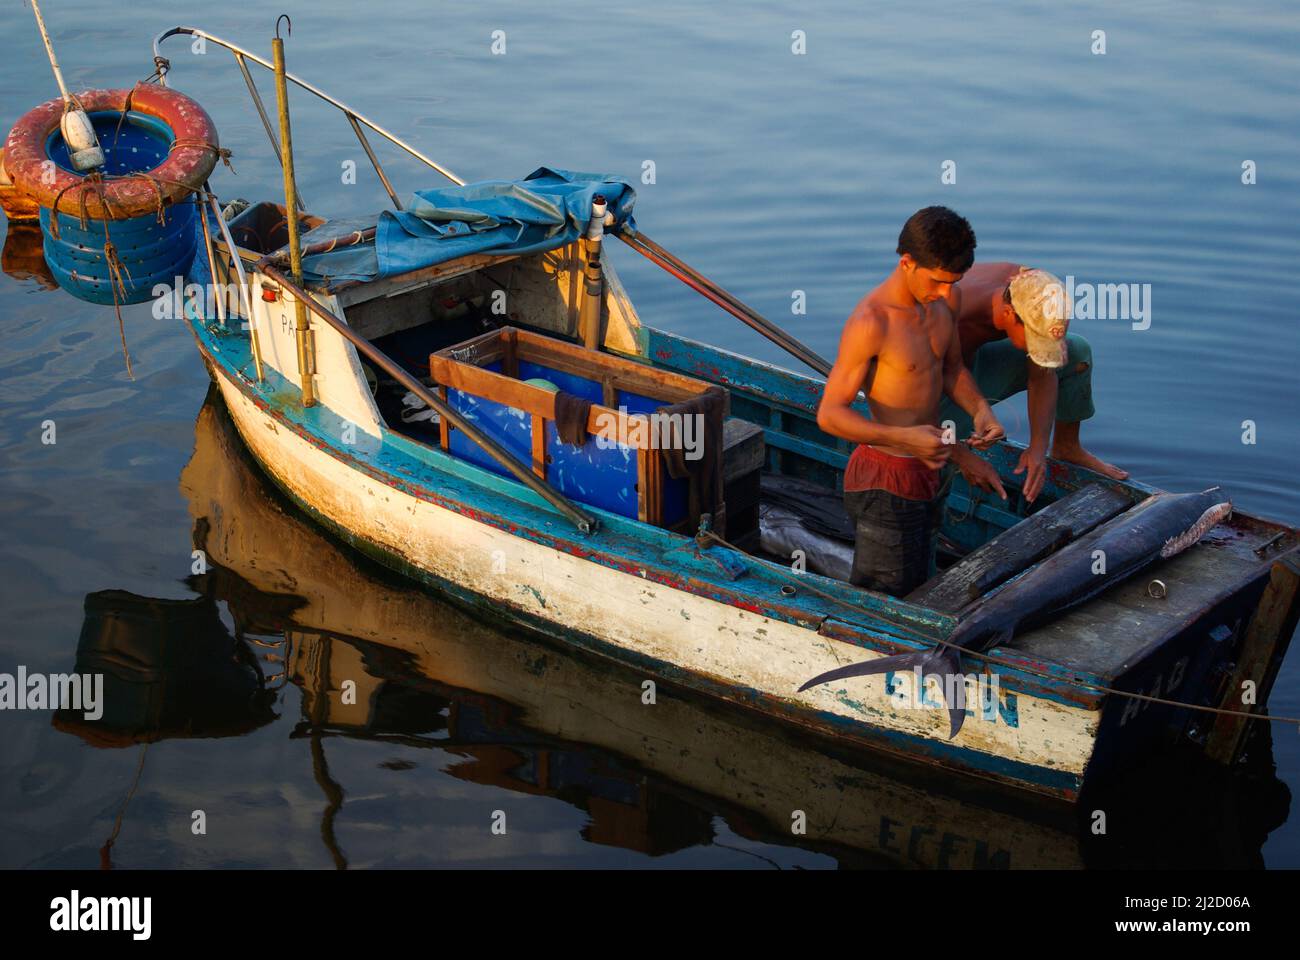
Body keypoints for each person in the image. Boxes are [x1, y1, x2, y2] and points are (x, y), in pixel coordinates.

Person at [817, 207, 1004, 597]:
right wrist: (904, 439)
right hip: (884, 482)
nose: (945, 293)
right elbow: (830, 414)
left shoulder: (946, 302)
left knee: (920, 586)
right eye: (937, 281)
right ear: (907, 262)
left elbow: (952, 369)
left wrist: (980, 409)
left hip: (931, 470)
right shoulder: (872, 321)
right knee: (884, 600)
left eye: (954, 283)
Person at [938, 263, 1128, 505]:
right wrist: (963, 456)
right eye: (1037, 341)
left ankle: (1067, 448)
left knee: (1077, 351)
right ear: (1008, 314)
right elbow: (912, 411)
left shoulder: (1033, 287)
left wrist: (1038, 447)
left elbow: (1043, 374)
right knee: (934, 452)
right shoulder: (951, 313)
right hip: (931, 381)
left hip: (969, 362)